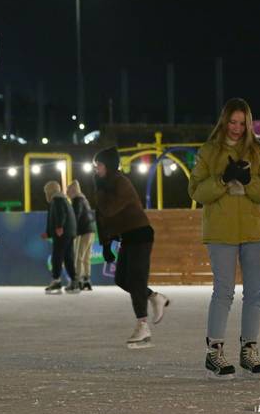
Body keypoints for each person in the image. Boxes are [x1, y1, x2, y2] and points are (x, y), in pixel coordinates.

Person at [188, 97, 260, 379]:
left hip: (254, 229)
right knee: (224, 291)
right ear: (224, 121)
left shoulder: (258, 151)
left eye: (242, 123)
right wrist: (223, 180)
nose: (237, 128)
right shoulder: (209, 151)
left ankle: (248, 349)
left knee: (255, 292)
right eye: (233, 122)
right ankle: (214, 351)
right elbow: (195, 191)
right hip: (221, 231)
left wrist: (250, 182)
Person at [94, 147, 170, 348]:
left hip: (141, 235)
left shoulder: (121, 183)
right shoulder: (106, 186)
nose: (96, 170)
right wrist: (106, 245)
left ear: (108, 166)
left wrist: (100, 190)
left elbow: (109, 210)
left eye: (99, 165)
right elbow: (101, 218)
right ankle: (154, 297)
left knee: (136, 280)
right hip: (127, 238)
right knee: (121, 279)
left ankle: (142, 326)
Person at [42, 181, 78, 294]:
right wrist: (48, 233)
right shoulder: (63, 199)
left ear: (50, 191)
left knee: (57, 257)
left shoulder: (57, 199)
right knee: (68, 258)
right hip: (68, 232)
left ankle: (56, 282)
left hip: (62, 233)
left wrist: (59, 227)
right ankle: (74, 282)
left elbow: (59, 214)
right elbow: (53, 217)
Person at [67, 180, 97, 291]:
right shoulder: (84, 199)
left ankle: (77, 280)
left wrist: (71, 230)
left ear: (73, 191)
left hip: (84, 231)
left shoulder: (77, 200)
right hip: (91, 231)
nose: (67, 194)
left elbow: (76, 215)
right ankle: (87, 280)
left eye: (68, 191)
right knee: (86, 257)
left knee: (78, 257)